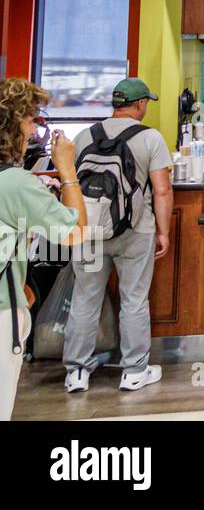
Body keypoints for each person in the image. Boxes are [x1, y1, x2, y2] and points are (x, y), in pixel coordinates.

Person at [64, 77, 174, 394]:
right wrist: (163, 232)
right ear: (140, 104)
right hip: (134, 231)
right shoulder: (150, 138)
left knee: (85, 300)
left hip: (88, 230)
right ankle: (134, 371)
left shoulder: (84, 136)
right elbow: (163, 190)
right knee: (134, 300)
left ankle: (76, 371)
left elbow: (71, 185)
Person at [0, 79, 86, 421]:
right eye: (32, 120)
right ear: (12, 125)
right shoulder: (14, 183)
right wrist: (66, 168)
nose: (36, 129)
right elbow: (75, 233)